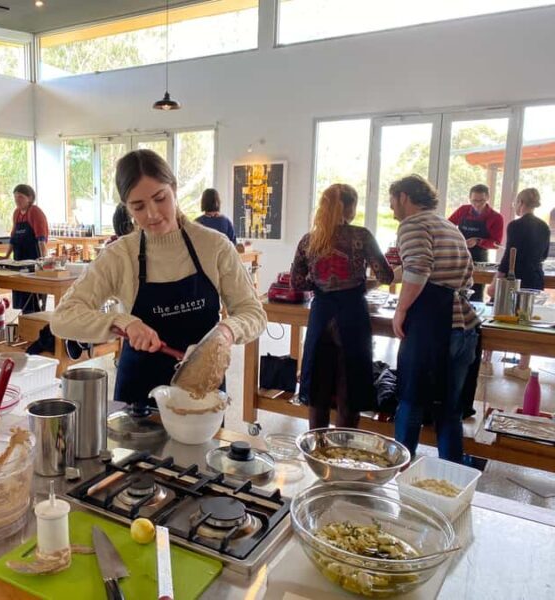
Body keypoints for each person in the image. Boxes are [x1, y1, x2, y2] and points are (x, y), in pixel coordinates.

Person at [51, 150, 266, 407]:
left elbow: (254, 313)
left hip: (202, 393)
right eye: (138, 206)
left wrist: (227, 332)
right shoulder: (120, 255)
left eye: (160, 198)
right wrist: (123, 322)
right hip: (138, 397)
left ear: (174, 189)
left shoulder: (214, 246)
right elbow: (63, 318)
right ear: (126, 207)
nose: (152, 214)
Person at [290, 184, 394, 429]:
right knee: (351, 388)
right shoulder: (361, 236)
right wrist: (362, 284)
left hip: (321, 314)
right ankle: (344, 445)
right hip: (352, 313)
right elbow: (386, 275)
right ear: (350, 207)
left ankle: (317, 443)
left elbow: (296, 282)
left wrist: (319, 283)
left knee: (318, 389)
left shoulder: (309, 240)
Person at [391, 175, 479, 464]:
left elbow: (419, 268)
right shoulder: (449, 226)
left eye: (392, 200)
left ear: (404, 197)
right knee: (449, 409)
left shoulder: (412, 224)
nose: (391, 208)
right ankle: (452, 474)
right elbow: (456, 273)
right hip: (464, 323)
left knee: (411, 401)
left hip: (432, 325)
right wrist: (391, 276)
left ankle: (399, 471)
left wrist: (401, 309)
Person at [493, 188, 549, 380]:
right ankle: (523, 367)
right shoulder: (544, 227)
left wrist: (496, 280)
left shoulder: (515, 226)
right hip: (535, 276)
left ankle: (486, 361)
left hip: (515, 277)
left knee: (499, 315)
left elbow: (509, 255)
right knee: (527, 322)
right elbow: (544, 255)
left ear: (521, 203)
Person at [448, 184, 504, 302]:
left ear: (488, 198)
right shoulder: (463, 210)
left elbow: (496, 243)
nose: (477, 204)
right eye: (474, 201)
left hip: (479, 259)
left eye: (481, 201)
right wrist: (456, 239)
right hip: (460, 256)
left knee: (476, 294)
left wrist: (478, 241)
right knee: (455, 292)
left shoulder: (496, 217)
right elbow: (447, 226)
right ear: (469, 198)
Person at [3, 184, 49, 313]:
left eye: (20, 197)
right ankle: (25, 320)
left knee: (32, 298)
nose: (17, 200)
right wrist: (6, 256)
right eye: (15, 197)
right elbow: (13, 237)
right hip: (19, 260)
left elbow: (41, 238)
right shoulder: (17, 213)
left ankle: (34, 320)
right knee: (21, 295)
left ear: (30, 198)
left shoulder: (34, 212)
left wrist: (43, 260)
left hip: (32, 260)